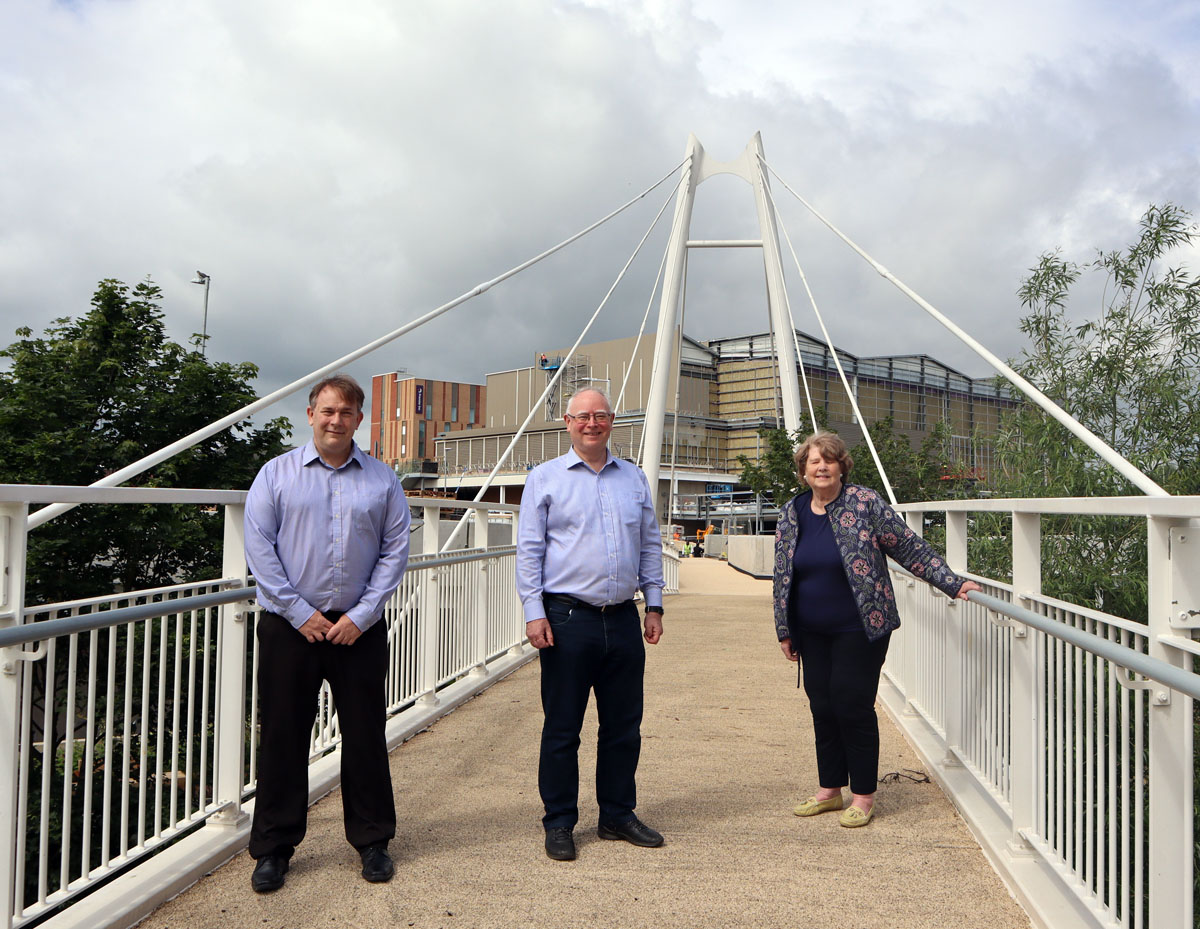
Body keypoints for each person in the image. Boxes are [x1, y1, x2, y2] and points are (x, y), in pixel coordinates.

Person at [244, 374, 411, 892]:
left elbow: (394, 551)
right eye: (327, 411)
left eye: (346, 412)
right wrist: (300, 613)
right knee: (282, 736)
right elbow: (260, 549)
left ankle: (373, 842)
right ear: (311, 414)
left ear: (359, 419)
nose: (335, 420)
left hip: (357, 630)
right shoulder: (275, 475)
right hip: (290, 628)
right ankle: (273, 849)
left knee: (364, 735)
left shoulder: (383, 480)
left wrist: (361, 615)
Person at [773, 432, 980, 827]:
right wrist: (784, 628)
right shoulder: (792, 512)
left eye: (829, 460)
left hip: (862, 625)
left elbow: (908, 547)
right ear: (803, 471)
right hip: (810, 630)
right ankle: (830, 790)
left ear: (841, 466)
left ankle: (864, 794)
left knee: (851, 704)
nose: (822, 467)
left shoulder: (864, 503)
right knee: (823, 705)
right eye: (814, 462)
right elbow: (783, 573)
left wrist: (952, 582)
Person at [516, 388, 666, 861]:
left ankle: (617, 815)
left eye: (600, 415)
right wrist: (533, 611)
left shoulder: (634, 479)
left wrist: (655, 603)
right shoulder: (544, 479)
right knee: (562, 728)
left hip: (622, 619)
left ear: (612, 421)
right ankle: (559, 821)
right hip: (566, 619)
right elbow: (530, 551)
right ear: (567, 422)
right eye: (583, 416)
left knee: (624, 726)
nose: (591, 423)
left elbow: (648, 543)